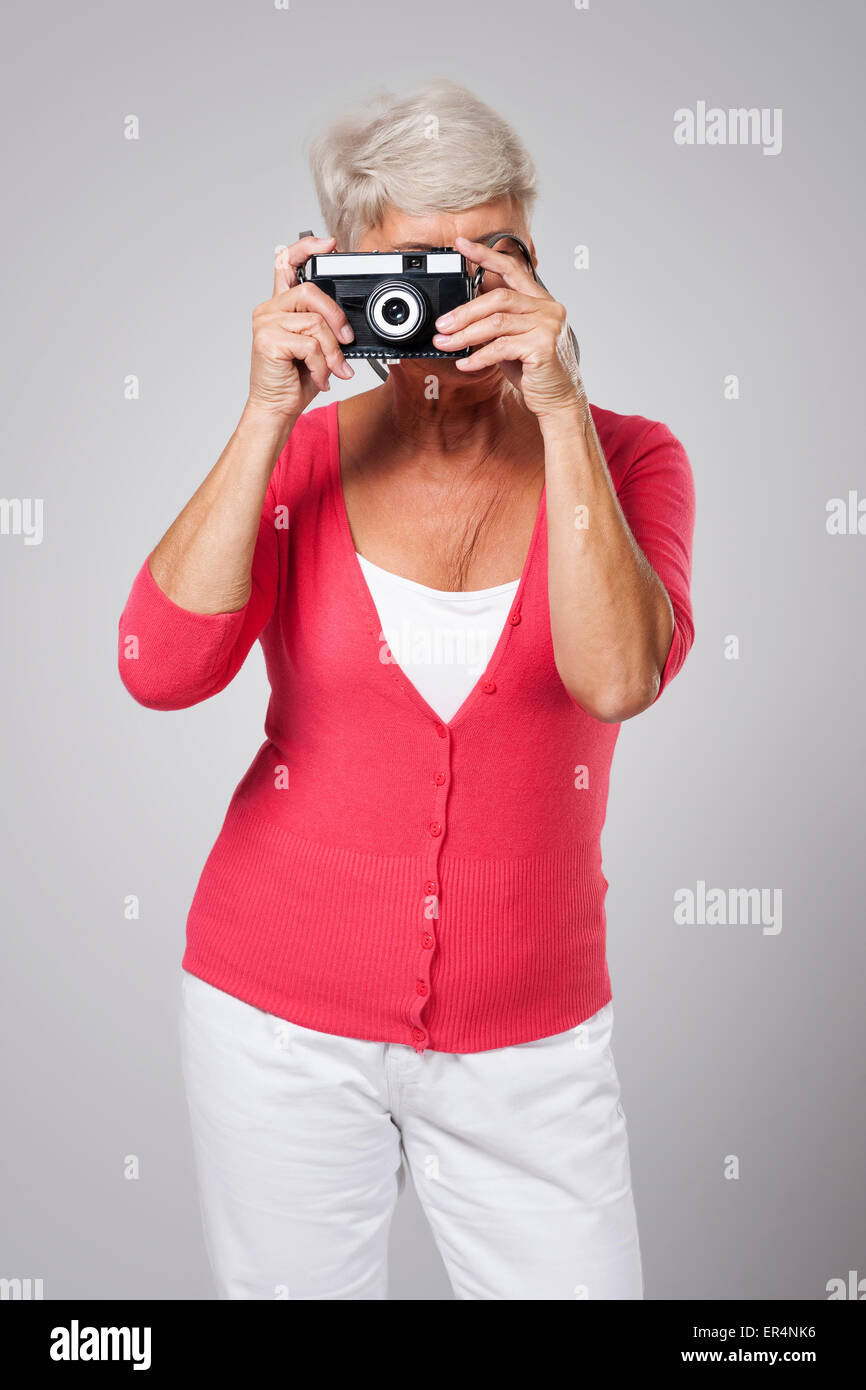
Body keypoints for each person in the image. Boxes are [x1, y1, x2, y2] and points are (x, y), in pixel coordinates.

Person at [117, 78, 695, 1301]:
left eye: (499, 258)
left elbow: (615, 675)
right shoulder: (305, 460)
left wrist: (561, 409)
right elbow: (160, 671)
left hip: (529, 1030)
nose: (463, 300)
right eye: (424, 271)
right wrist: (269, 413)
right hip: (273, 1014)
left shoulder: (626, 454)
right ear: (340, 281)